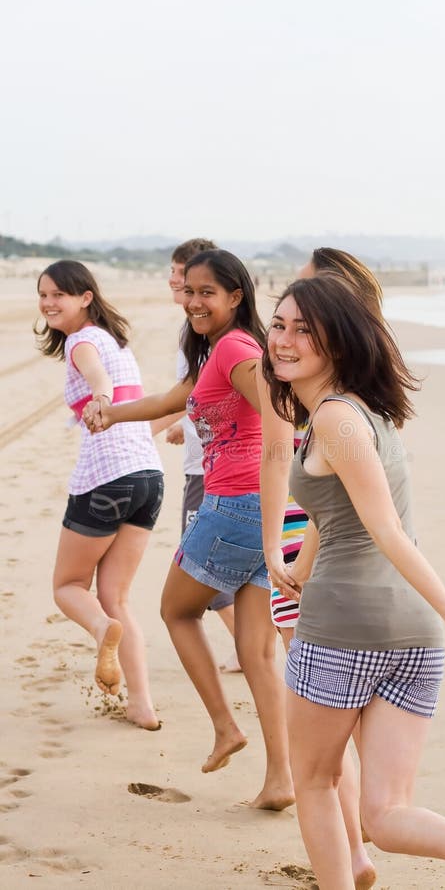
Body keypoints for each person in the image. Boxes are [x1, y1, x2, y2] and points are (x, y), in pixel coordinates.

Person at [262, 273, 445, 890]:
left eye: (304, 331)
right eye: (280, 325)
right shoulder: (367, 413)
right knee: (386, 813)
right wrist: (301, 565)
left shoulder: (334, 421)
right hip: (414, 636)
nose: (284, 341)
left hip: (345, 628)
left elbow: (388, 531)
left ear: (338, 344)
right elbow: (340, 509)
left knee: (316, 780)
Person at [83, 249, 294, 809]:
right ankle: (280, 779)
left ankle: (226, 726)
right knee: (257, 653)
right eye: (189, 291)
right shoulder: (221, 353)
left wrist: (271, 479)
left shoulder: (235, 348)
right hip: (261, 512)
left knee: (176, 611)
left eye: (208, 293)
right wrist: (110, 411)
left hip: (235, 505)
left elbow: (280, 418)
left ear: (235, 297)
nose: (194, 302)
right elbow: (172, 400)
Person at [257, 248, 386, 889]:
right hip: (359, 568)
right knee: (349, 722)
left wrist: (275, 551)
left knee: (319, 727)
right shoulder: (367, 387)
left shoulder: (312, 390)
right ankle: (359, 843)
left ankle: (352, 857)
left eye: (307, 309)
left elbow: (278, 462)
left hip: (307, 547)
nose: (291, 324)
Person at [34, 260, 164, 731]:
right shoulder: (117, 343)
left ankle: (98, 630)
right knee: (117, 598)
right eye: (43, 294)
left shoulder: (82, 341)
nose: (48, 303)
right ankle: (142, 705)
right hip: (149, 479)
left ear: (85, 297)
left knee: (69, 588)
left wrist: (101, 398)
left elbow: (95, 378)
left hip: (107, 478)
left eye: (58, 295)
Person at [154, 237, 240, 674]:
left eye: (179, 272)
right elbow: (199, 400)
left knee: (203, 573)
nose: (174, 280)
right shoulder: (199, 333)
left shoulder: (214, 337)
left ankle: (250, 647)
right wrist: (176, 426)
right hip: (205, 464)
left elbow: (187, 396)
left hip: (211, 474)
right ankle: (256, 649)